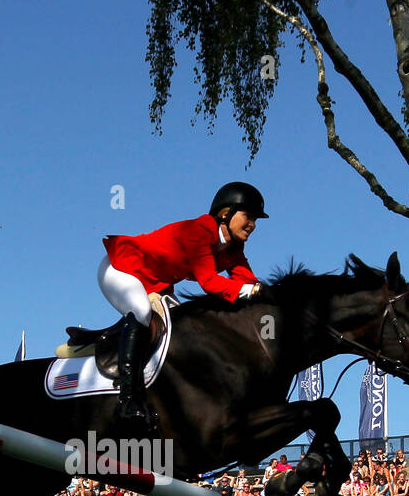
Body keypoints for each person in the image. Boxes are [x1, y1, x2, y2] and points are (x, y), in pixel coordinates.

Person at [76, 182, 269, 433]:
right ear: (225, 213)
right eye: (248, 216)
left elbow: (247, 280)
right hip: (121, 268)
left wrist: (271, 295)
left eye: (255, 219)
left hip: (155, 282)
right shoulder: (200, 230)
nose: (252, 224)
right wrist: (249, 291)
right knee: (142, 313)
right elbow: (209, 281)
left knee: (180, 327)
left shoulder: (234, 248)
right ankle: (127, 399)